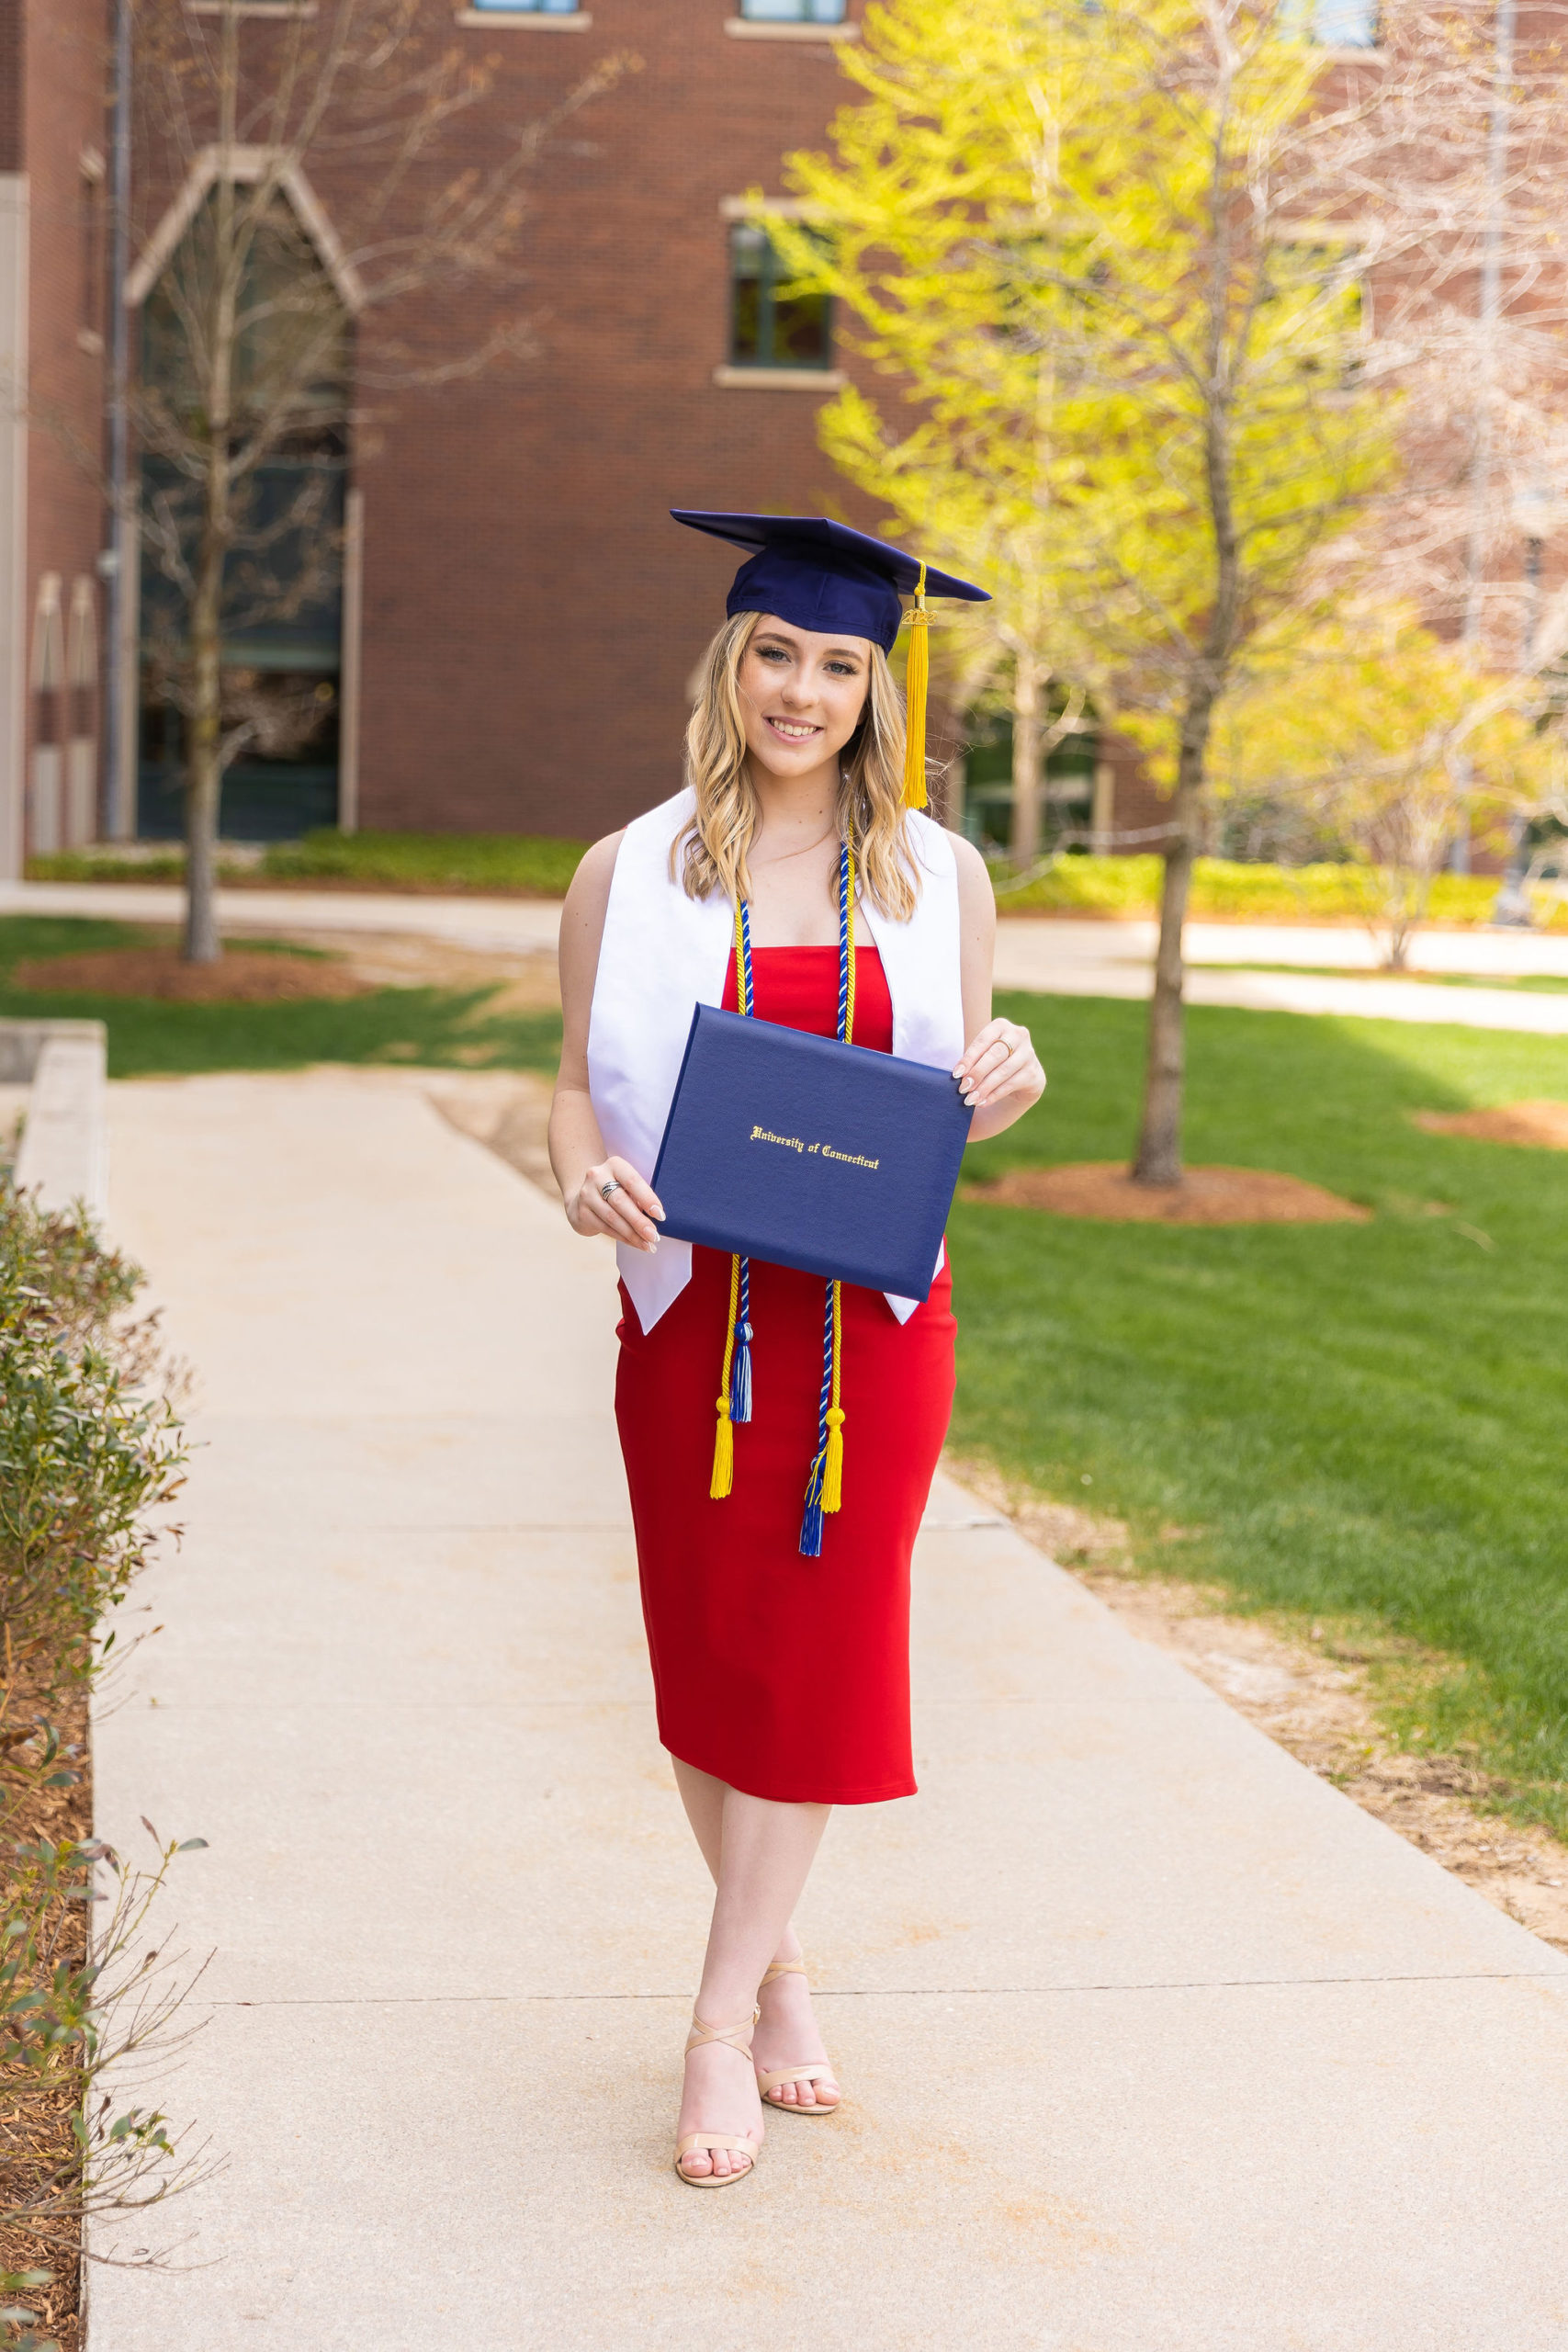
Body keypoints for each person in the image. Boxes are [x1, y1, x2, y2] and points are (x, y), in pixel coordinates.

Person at [549, 512, 1046, 2187]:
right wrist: (576, 1170)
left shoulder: (938, 874)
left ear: (874, 690)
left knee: (819, 1663)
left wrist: (1007, 1076)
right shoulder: (627, 873)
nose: (805, 691)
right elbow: (570, 1084)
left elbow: (957, 1081)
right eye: (780, 654)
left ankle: (707, 2028)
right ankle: (777, 1972)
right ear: (731, 662)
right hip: (691, 1326)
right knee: (711, 1668)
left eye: (842, 664)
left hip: (869, 1340)